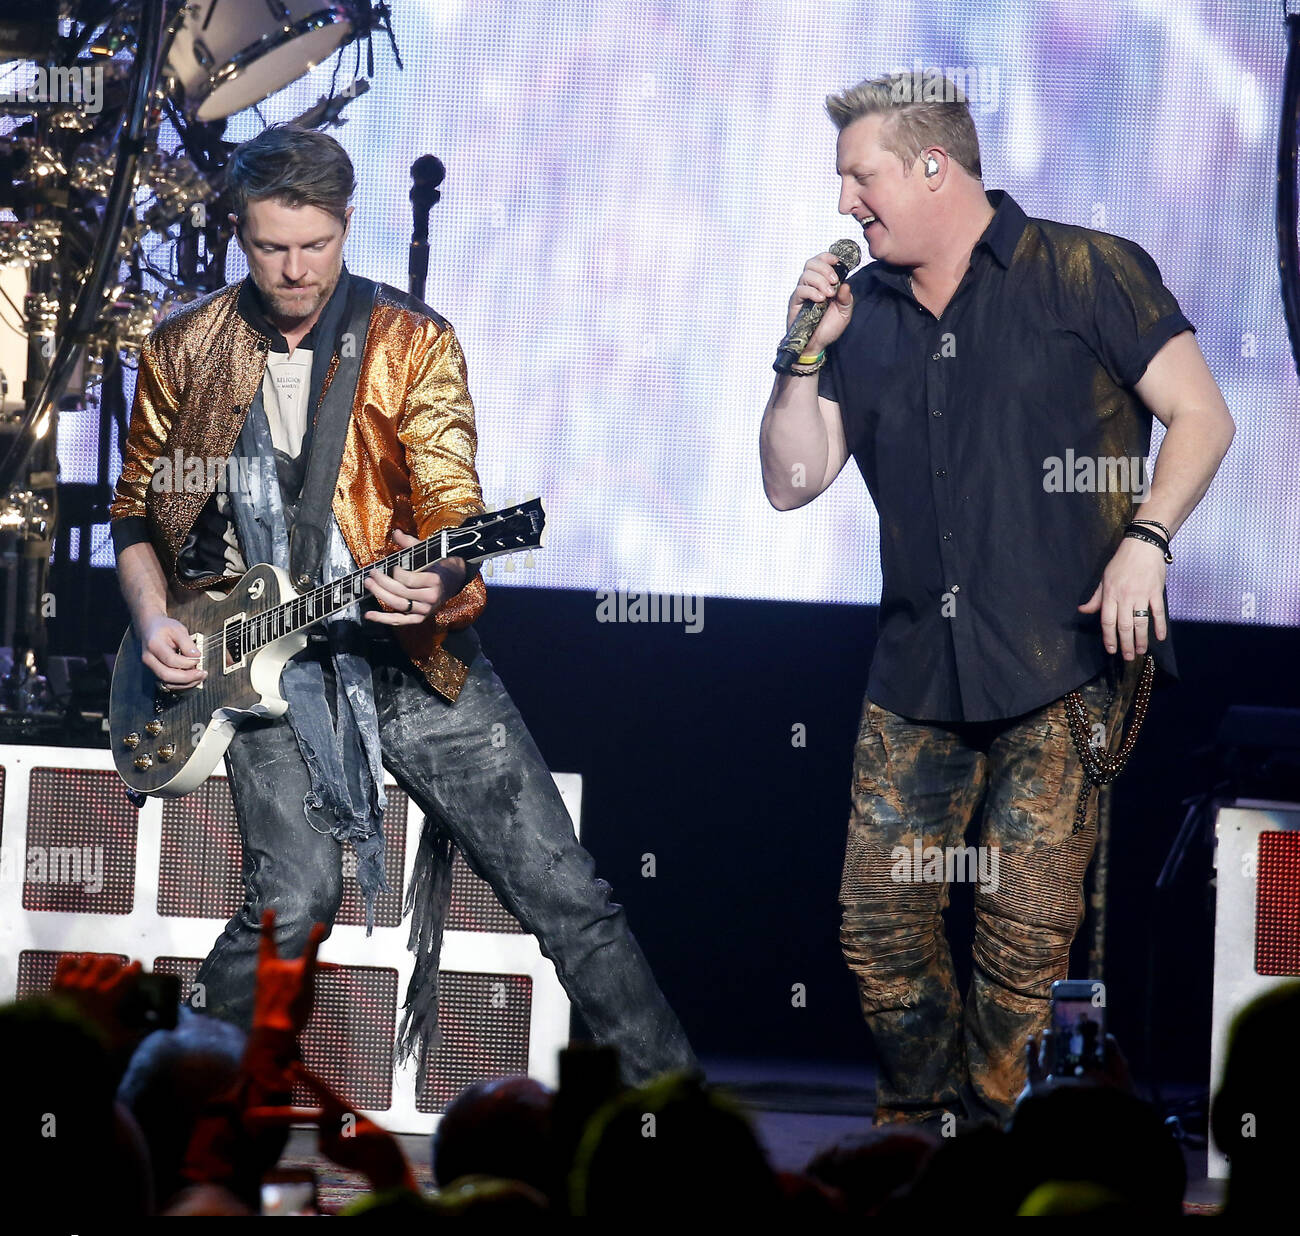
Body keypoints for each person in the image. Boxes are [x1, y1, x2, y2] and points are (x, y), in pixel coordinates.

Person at [110, 123, 695, 1087]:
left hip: (410, 656)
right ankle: (160, 1100)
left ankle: (682, 1121)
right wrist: (152, 618)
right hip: (261, 666)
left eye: (316, 245)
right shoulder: (183, 348)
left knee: (567, 891)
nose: (295, 270)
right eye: (270, 247)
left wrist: (442, 578)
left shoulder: (411, 340)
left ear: (348, 225)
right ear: (237, 234)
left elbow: (455, 512)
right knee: (293, 900)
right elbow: (136, 509)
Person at [759, 75, 1233, 1126]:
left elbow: (1201, 417)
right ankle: (916, 1127)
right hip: (915, 673)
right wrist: (800, 353)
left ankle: (992, 1149)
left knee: (1023, 941)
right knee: (877, 927)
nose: (844, 201)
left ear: (934, 168)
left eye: (860, 174)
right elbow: (791, 483)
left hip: (1057, 668)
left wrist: (1146, 542)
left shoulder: (1083, 272)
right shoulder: (859, 312)